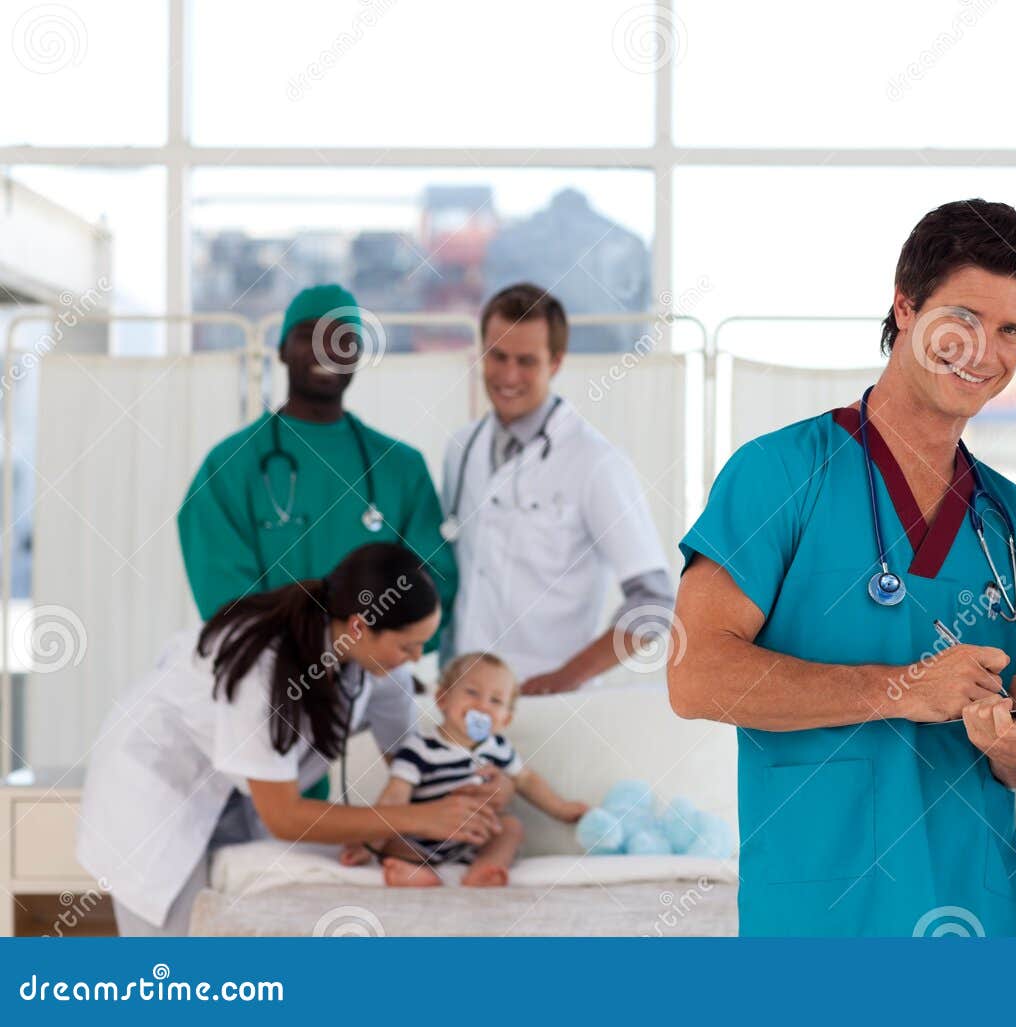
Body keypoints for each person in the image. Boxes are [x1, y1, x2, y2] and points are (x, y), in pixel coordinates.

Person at [667, 199, 1016, 937]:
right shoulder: (779, 476)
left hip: (977, 916)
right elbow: (695, 677)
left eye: (1012, 329)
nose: (985, 350)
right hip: (820, 920)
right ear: (906, 305)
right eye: (966, 319)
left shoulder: (1012, 523)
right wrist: (905, 689)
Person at [78, 543, 507, 936]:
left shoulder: (381, 664)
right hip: (162, 799)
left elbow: (412, 759)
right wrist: (419, 818)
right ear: (359, 627)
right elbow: (284, 815)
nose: (417, 660)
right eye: (408, 646)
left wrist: (461, 789)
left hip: (239, 797)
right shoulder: (261, 670)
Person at [178, 283, 457, 635]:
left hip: (377, 673)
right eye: (310, 336)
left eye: (343, 340)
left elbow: (432, 582)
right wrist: (297, 654)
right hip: (268, 673)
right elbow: (222, 590)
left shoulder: (401, 467)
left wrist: (375, 649)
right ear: (281, 350)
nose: (326, 351)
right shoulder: (229, 467)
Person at [442, 283, 672, 695]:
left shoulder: (596, 463)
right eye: (498, 356)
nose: (509, 375)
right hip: (465, 701)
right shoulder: (462, 449)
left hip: (550, 706)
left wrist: (565, 678)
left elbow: (653, 607)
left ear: (557, 362)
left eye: (526, 361)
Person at [339, 651, 590, 887]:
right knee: (394, 838)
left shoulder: (499, 748)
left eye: (495, 700)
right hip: (422, 838)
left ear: (506, 719)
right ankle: (419, 872)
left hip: (477, 838)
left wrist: (561, 808)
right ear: (443, 698)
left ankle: (485, 868)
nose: (482, 706)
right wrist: (369, 841)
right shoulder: (419, 748)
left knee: (511, 827)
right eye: (471, 692)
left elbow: (526, 780)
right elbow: (395, 797)